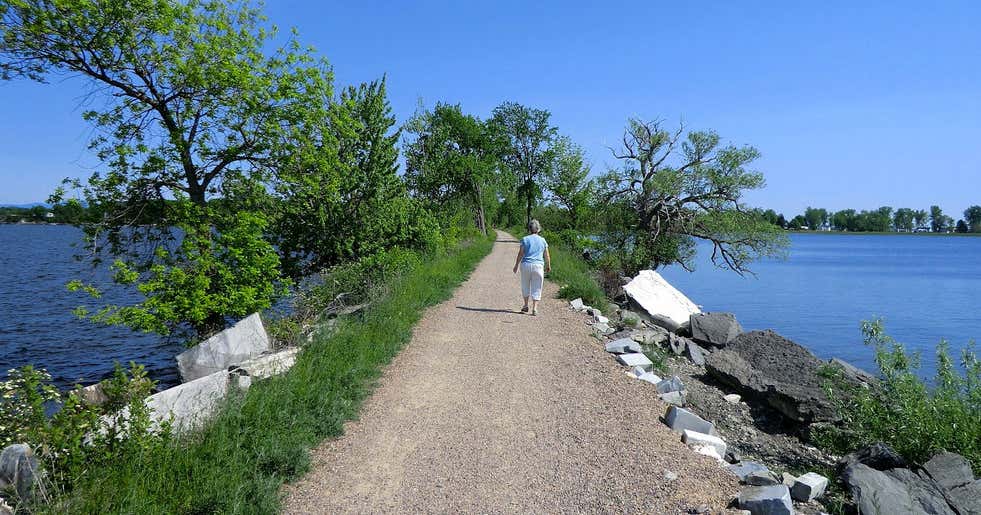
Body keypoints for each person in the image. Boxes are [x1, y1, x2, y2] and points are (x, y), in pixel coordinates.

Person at [512, 219, 551, 315]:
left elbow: (520, 254)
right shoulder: (543, 240)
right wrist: (548, 265)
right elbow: (547, 255)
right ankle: (535, 308)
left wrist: (516, 265)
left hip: (526, 265)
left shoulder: (525, 239)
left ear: (529, 229)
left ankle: (525, 305)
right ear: (538, 229)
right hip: (538, 266)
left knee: (525, 284)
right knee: (537, 286)